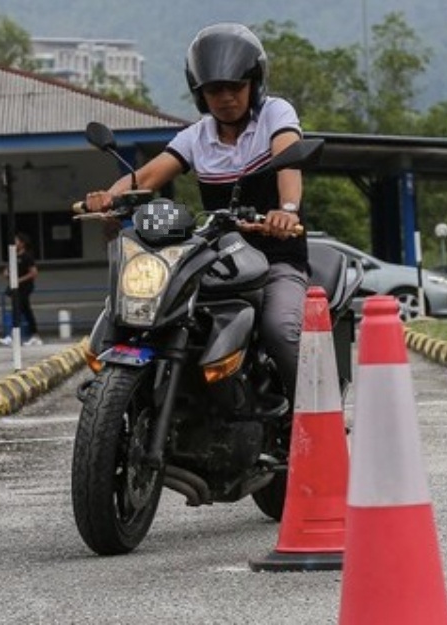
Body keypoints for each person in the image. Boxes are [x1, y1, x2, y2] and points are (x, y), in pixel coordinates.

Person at [77, 22, 307, 406]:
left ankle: (310, 415)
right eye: (215, 90)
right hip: (219, 260)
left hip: (275, 258)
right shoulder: (196, 136)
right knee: (155, 311)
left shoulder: (275, 114)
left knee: (281, 328)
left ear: (254, 84)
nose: (226, 98)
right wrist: (109, 198)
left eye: (235, 87)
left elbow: (288, 162)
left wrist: (285, 211)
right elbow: (146, 176)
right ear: (201, 94)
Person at [0, 232, 42, 347]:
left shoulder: (27, 256)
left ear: (22, 243)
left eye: (17, 241)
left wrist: (19, 280)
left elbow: (33, 272)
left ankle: (13, 336)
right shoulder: (14, 256)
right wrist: (7, 273)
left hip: (25, 287)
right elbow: (8, 270)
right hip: (16, 288)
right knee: (26, 311)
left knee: (17, 310)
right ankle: (34, 336)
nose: (15, 243)